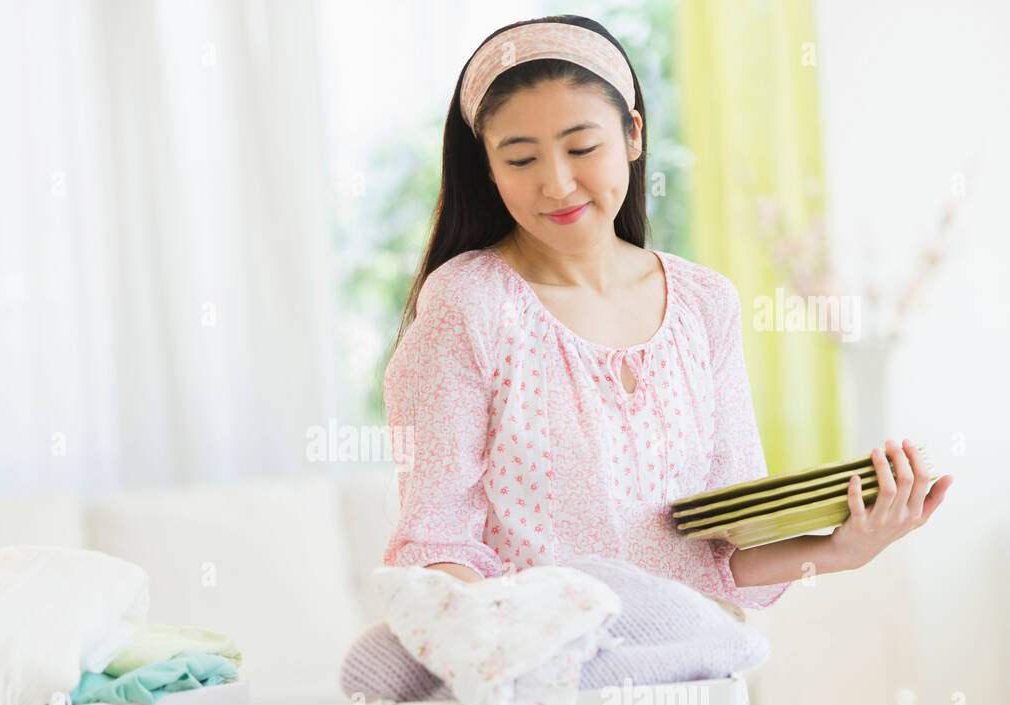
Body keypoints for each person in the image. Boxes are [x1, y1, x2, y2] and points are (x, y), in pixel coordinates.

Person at [383, 13, 953, 605]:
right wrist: (514, 642)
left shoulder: (703, 303)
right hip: (542, 685)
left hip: (689, 668)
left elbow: (727, 541)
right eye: (520, 160)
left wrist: (844, 548)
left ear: (633, 134)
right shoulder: (467, 305)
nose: (556, 184)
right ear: (489, 168)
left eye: (582, 147)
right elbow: (435, 545)